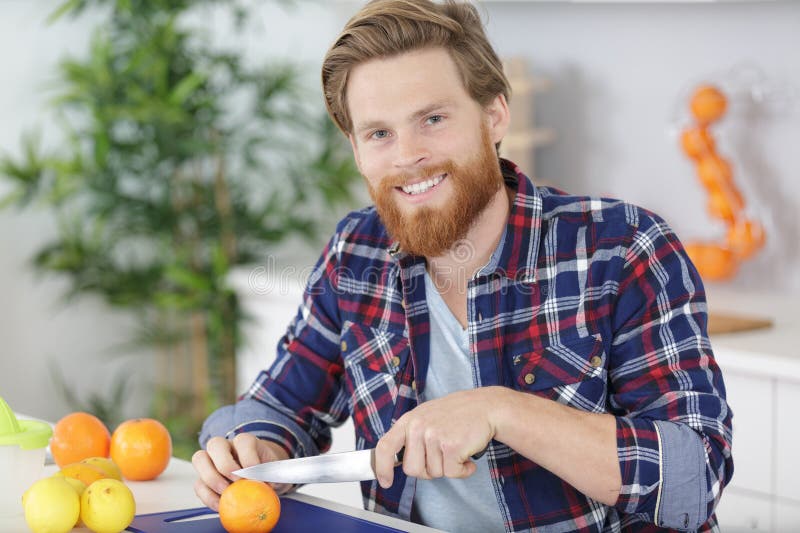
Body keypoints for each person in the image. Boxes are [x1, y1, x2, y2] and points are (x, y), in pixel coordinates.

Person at [191, 1, 733, 531]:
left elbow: (694, 480)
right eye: (379, 133)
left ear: (494, 114)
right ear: (357, 150)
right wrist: (253, 445)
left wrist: (503, 411)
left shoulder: (623, 249)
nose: (407, 155)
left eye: (432, 119)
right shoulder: (356, 251)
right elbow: (279, 403)